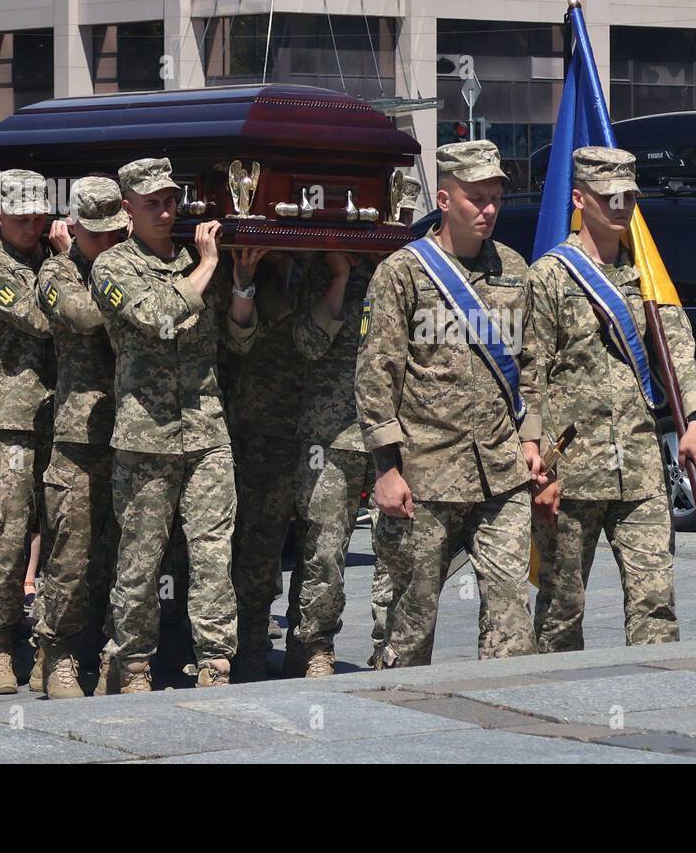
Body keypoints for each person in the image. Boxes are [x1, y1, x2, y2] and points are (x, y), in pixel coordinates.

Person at [518, 146, 696, 652]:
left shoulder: (649, 274)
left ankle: (657, 702)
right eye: (609, 197)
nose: (622, 206)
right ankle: (555, 711)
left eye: (629, 196)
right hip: (572, 468)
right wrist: (531, 450)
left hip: (641, 463)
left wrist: (694, 419)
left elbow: (679, 352)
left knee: (656, 602)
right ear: (580, 197)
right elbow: (529, 371)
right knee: (562, 609)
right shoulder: (550, 277)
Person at [356, 140, 540, 668]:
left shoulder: (514, 269)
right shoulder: (403, 273)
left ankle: (507, 720)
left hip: (501, 471)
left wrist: (532, 439)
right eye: (475, 198)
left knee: (510, 614)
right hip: (425, 472)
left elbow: (531, 364)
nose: (487, 210)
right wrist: (386, 470)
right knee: (410, 622)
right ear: (443, 198)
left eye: (495, 199)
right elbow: (376, 375)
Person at [91, 157, 265, 693]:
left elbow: (238, 342)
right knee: (140, 561)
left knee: (214, 553)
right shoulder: (112, 268)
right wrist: (210, 265)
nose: (166, 212)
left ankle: (216, 663)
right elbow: (160, 321)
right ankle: (134, 664)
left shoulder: (196, 261)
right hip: (148, 437)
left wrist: (242, 284)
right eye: (152, 204)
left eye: (171, 201)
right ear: (127, 210)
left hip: (207, 430)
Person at [33, 177, 130, 697]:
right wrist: (116, 279)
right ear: (72, 230)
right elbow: (83, 316)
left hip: (133, 432)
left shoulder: (128, 262)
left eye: (116, 233)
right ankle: (58, 654)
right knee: (69, 553)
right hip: (78, 434)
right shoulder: (58, 271)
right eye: (97, 236)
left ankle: (116, 654)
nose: (108, 244)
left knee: (123, 556)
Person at [0, 169, 59, 694]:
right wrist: (68, 266)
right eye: (22, 218)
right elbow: (41, 318)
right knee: (7, 533)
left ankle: (53, 642)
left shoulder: (50, 257)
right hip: (11, 419)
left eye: (39, 217)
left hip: (58, 414)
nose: (33, 225)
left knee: (64, 534)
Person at [283, 251, 378, 678]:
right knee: (323, 550)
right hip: (330, 435)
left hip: (391, 433)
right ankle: (314, 645)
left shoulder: (407, 271)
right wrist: (340, 278)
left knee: (396, 554)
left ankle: (391, 645)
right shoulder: (316, 270)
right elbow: (307, 343)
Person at [226, 251, 306, 681]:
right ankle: (249, 642)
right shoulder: (262, 271)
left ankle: (292, 642)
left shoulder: (313, 268)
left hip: (307, 424)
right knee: (256, 541)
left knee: (287, 545)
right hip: (258, 425)